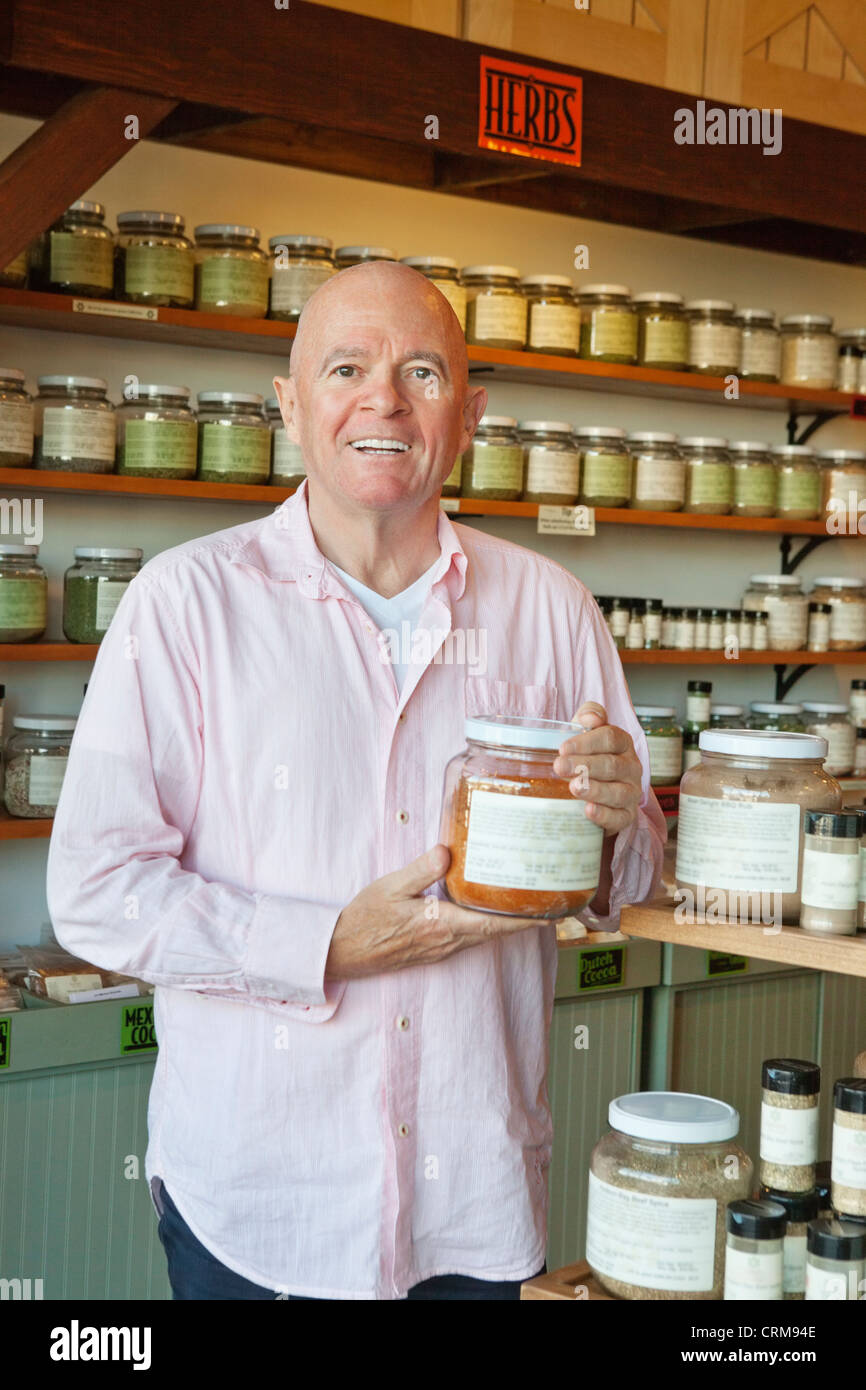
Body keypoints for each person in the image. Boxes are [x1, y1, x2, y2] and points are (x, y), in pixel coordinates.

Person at [46, 260, 665, 1301]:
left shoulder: (553, 608)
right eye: (346, 367)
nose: (383, 398)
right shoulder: (184, 606)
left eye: (420, 372)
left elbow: (632, 876)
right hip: (255, 1210)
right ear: (291, 405)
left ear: (467, 415)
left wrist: (614, 828)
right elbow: (97, 891)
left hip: (474, 1199)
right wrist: (326, 943)